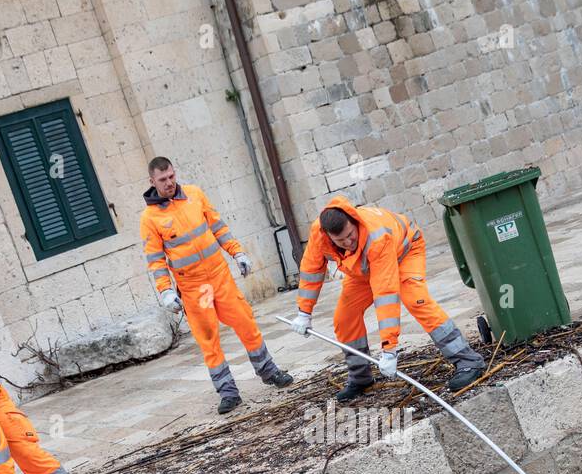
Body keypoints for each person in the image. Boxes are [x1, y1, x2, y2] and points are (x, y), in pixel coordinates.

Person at [291, 196, 486, 401]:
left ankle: (468, 361)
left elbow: (385, 295)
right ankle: (360, 378)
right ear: (328, 236)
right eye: (341, 241)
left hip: (404, 253)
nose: (348, 242)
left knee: (416, 301)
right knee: (344, 318)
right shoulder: (319, 234)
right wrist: (304, 312)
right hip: (363, 268)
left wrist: (389, 349)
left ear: (353, 220)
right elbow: (311, 270)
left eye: (350, 235)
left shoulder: (377, 237)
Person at [141, 157, 292, 414]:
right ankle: (228, 392)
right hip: (195, 288)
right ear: (152, 181)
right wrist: (165, 290)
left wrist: (237, 253)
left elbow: (218, 227)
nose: (169, 182)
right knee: (209, 339)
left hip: (220, 277)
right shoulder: (150, 218)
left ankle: (269, 371)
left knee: (246, 323)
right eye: (163, 179)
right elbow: (155, 260)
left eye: (171, 176)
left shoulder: (195, 195)